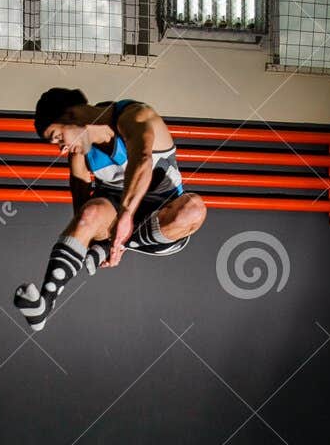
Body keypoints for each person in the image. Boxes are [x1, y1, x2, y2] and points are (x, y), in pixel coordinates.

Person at [15, 88, 207, 331]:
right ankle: (44, 305)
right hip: (114, 212)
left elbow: (142, 160)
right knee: (90, 213)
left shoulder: (135, 116)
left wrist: (125, 220)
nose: (61, 148)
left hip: (161, 216)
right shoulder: (79, 151)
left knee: (194, 209)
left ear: (72, 116)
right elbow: (82, 203)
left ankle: (118, 244)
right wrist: (88, 237)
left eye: (57, 137)